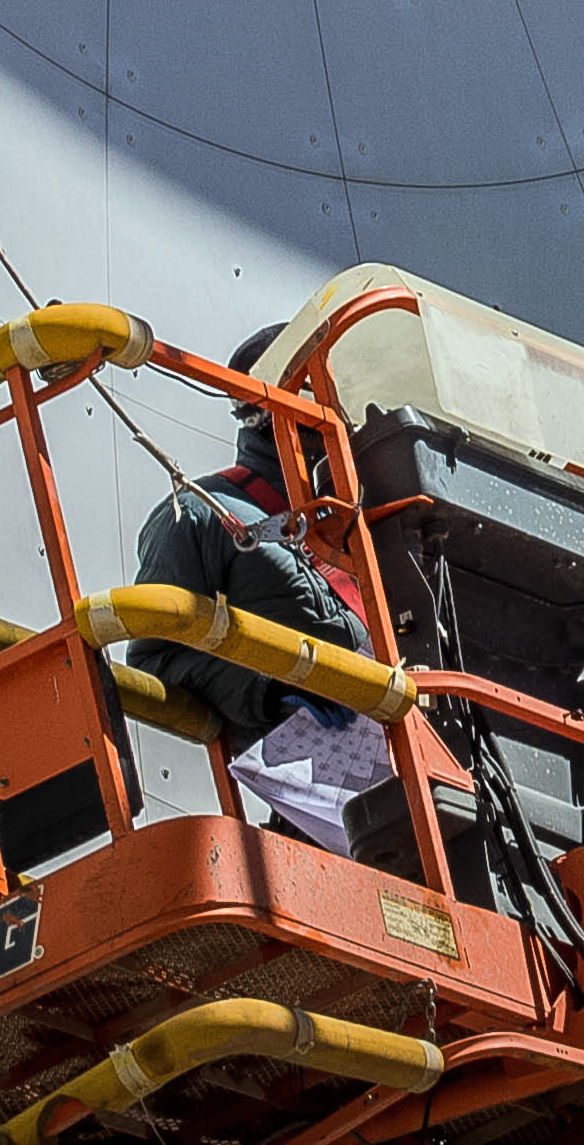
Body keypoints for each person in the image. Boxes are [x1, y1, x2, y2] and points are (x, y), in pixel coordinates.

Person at [125, 328, 393, 850]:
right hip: (320, 812)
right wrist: (268, 686)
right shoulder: (204, 514)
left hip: (424, 790)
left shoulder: (381, 521)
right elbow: (156, 663)